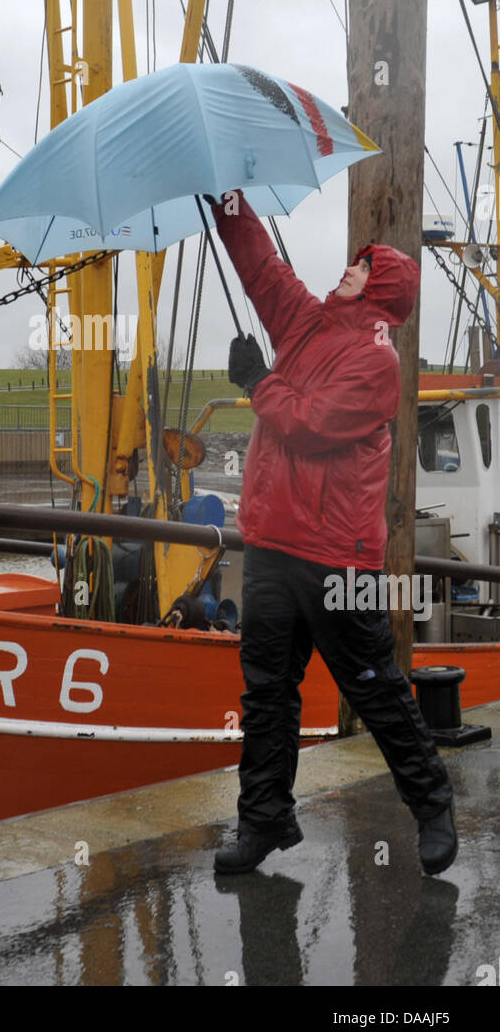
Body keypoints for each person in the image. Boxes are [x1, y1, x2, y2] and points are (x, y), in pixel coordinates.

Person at [206, 189, 456, 876]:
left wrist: (258, 382)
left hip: (336, 556)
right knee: (266, 692)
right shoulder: (310, 324)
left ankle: (433, 804)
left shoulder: (377, 361)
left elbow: (311, 426)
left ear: (380, 287)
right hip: (272, 544)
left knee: (373, 685)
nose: (346, 269)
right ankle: (262, 822)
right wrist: (226, 201)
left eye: (361, 266)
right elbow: (262, 269)